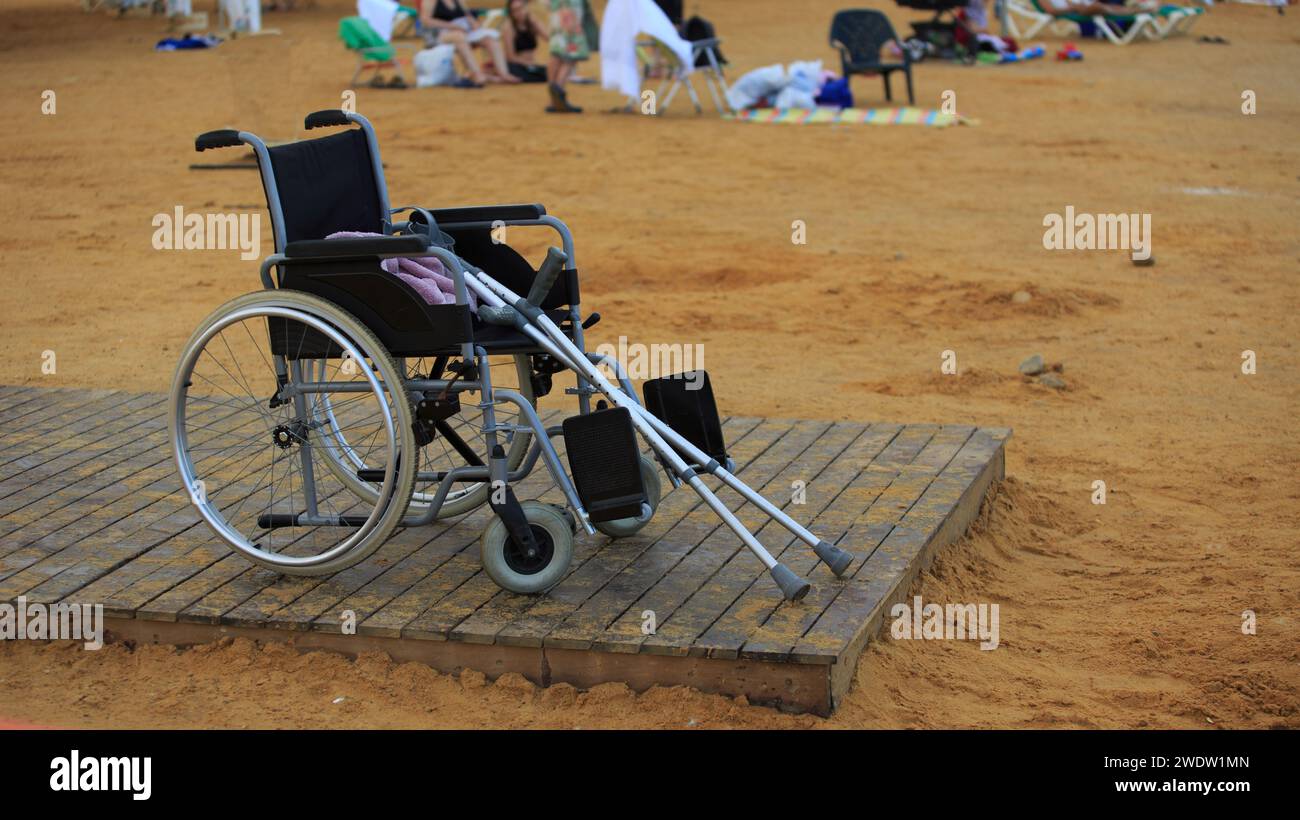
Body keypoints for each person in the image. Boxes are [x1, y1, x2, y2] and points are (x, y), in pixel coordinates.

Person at [419, 0, 520, 85]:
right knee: (459, 37)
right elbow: (426, 21)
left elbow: (466, 14)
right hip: (439, 34)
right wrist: (451, 26)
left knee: (489, 38)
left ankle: (503, 74)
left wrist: (473, 22)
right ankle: (477, 74)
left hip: (462, 31)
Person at [545, 0, 590, 112]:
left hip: (556, 11)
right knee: (570, 55)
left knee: (556, 53)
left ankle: (553, 99)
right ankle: (558, 93)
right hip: (569, 11)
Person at [501, 0, 550, 83]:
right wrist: (527, 63)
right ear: (511, 13)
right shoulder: (508, 27)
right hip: (517, 65)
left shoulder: (532, 21)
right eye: (515, 10)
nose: (519, 12)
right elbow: (510, 57)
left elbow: (548, 37)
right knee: (520, 74)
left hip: (531, 65)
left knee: (548, 73)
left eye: (521, 8)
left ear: (526, 8)